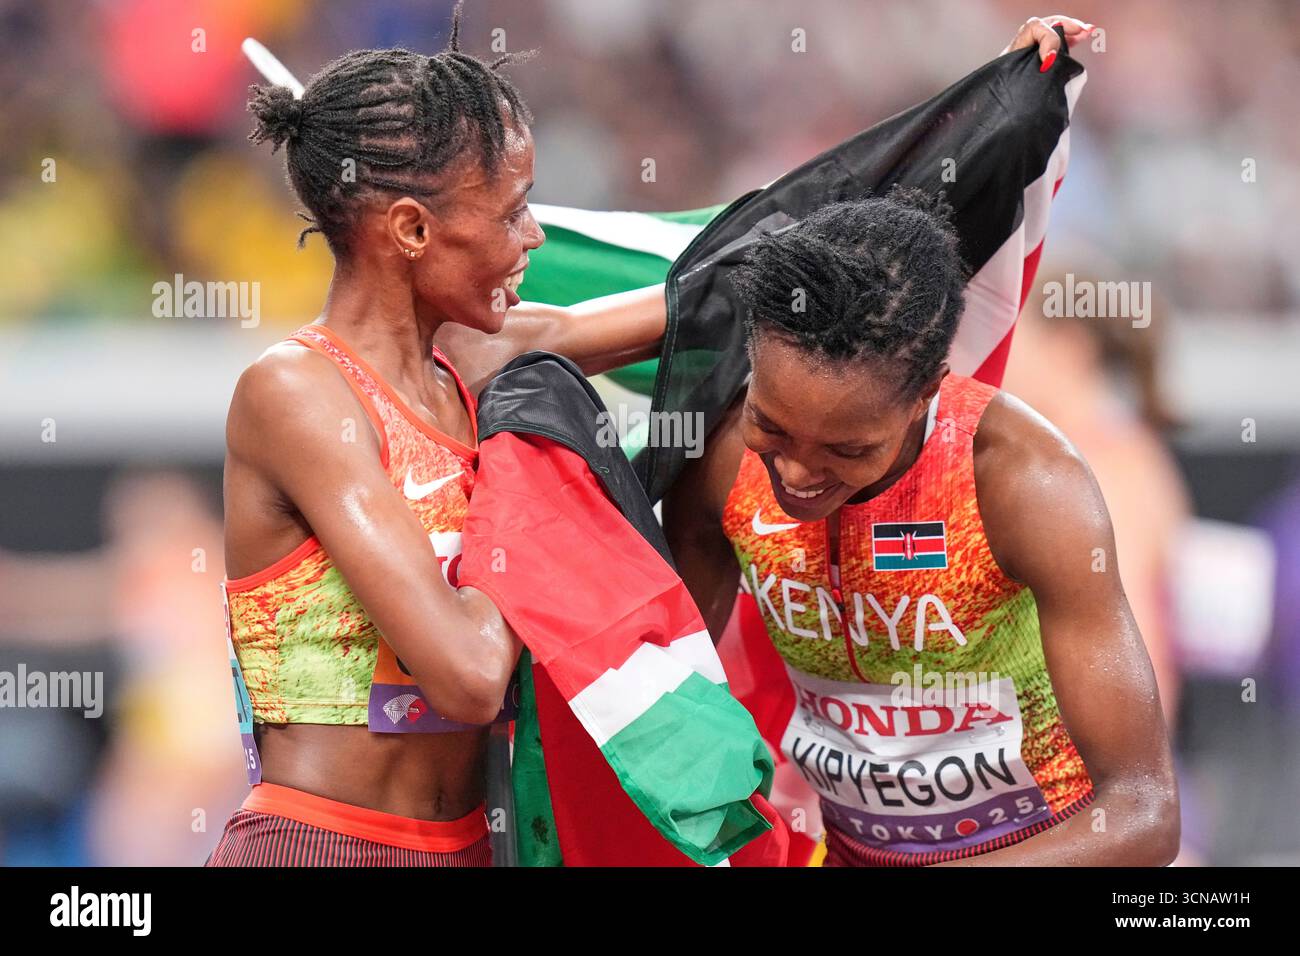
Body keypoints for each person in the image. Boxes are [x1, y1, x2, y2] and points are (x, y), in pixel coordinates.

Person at [207, 10, 665, 867]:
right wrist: (543, 512)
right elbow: (467, 676)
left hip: (470, 848)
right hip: (323, 848)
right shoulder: (297, 392)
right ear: (413, 230)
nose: (534, 238)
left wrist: (970, 151)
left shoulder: (467, 363)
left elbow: (701, 299)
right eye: (515, 212)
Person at [663, 191, 1180, 866]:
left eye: (847, 450)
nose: (796, 471)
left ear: (927, 394)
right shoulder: (718, 459)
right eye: (773, 425)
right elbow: (673, 706)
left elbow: (1144, 811)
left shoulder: (1026, 483)